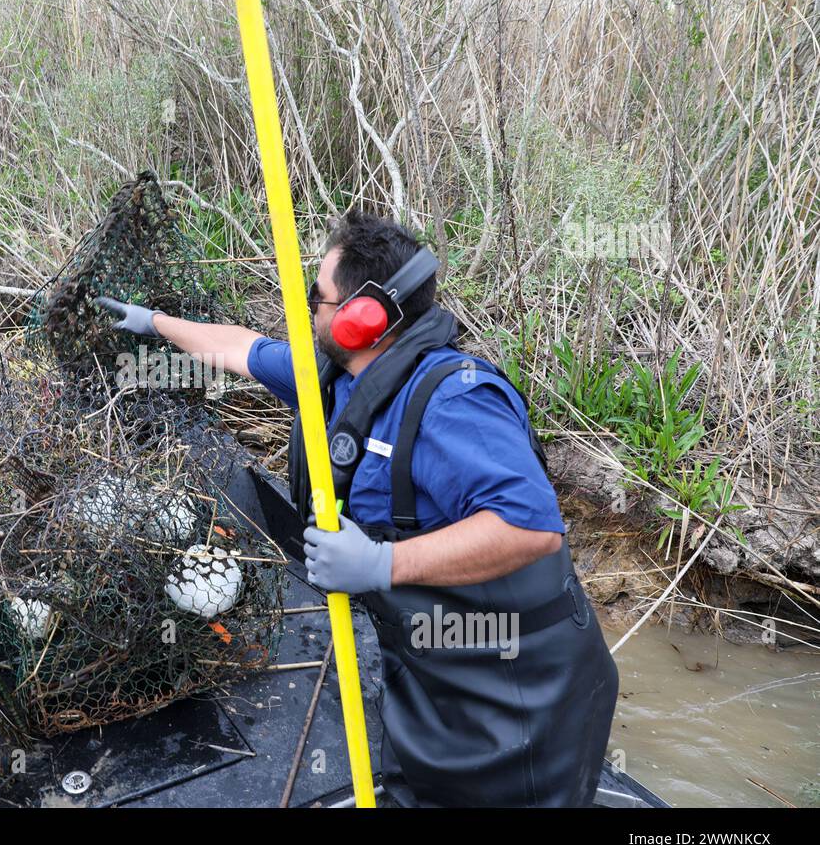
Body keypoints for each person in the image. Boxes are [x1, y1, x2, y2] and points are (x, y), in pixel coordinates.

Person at [98, 208, 618, 806]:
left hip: (520, 688)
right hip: (432, 665)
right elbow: (240, 348)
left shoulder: (454, 400)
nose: (306, 309)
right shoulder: (338, 376)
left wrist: (379, 565)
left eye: (316, 298)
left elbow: (529, 528)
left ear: (361, 318)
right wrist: (155, 323)